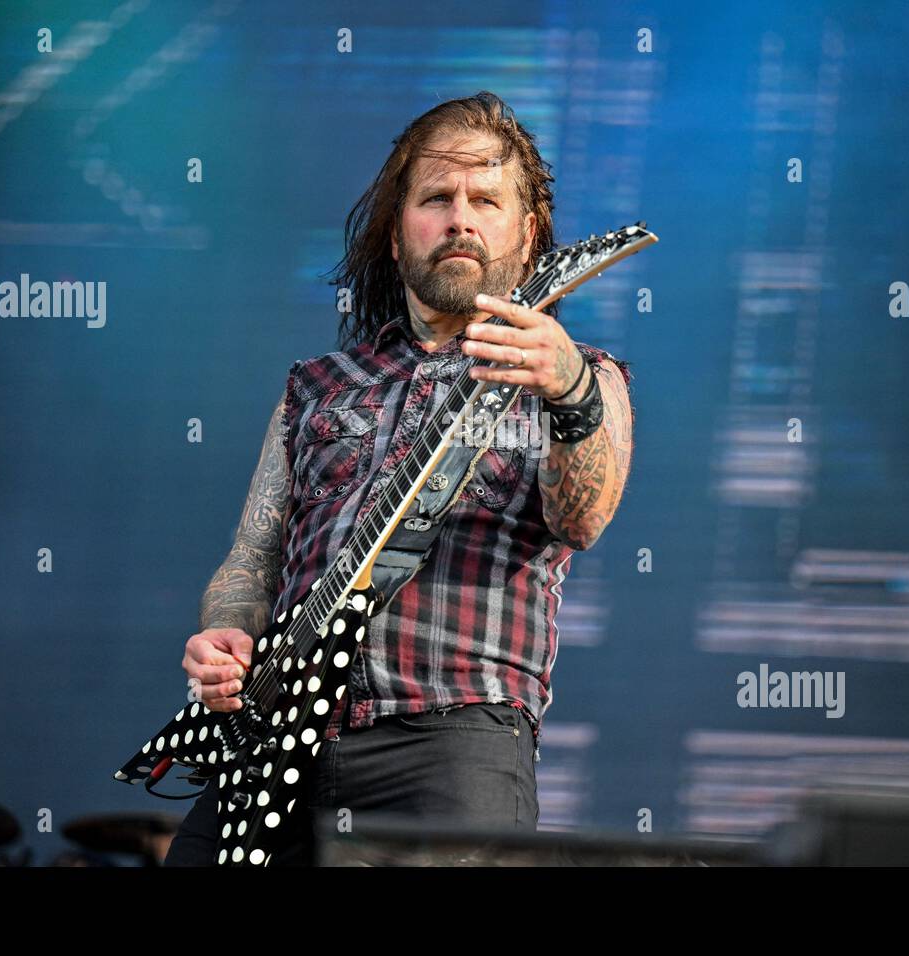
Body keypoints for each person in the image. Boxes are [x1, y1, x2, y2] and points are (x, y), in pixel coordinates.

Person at [164, 91, 635, 866]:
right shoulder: (316, 385)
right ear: (395, 235)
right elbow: (252, 557)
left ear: (528, 232)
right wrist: (226, 636)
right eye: (436, 198)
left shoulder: (583, 377)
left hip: (451, 739)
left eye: (485, 199)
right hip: (275, 736)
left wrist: (571, 387)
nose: (460, 219)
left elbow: (585, 520)